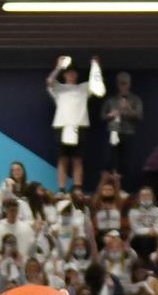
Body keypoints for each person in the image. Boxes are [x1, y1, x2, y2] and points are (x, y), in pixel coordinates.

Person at [46, 55, 105, 192]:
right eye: (69, 73)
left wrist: (96, 67)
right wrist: (58, 67)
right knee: (63, 158)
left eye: (74, 73)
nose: (71, 75)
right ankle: (62, 188)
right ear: (65, 75)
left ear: (77, 75)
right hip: (62, 125)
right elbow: (49, 81)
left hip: (80, 125)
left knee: (77, 159)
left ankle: (78, 187)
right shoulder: (59, 88)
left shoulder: (84, 88)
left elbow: (97, 84)